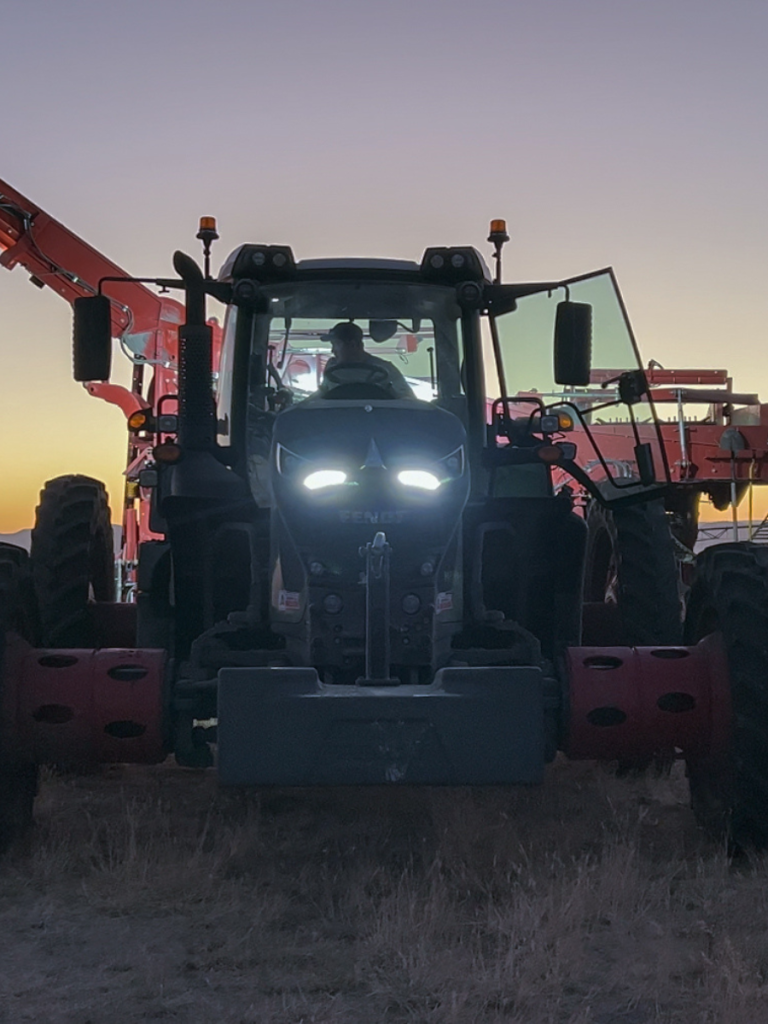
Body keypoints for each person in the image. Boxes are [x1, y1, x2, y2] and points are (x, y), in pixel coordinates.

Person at [319, 322, 415, 399]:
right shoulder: (331, 367)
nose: (333, 351)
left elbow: (407, 400)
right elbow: (321, 395)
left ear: (353, 345)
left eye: (336, 344)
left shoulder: (386, 370)